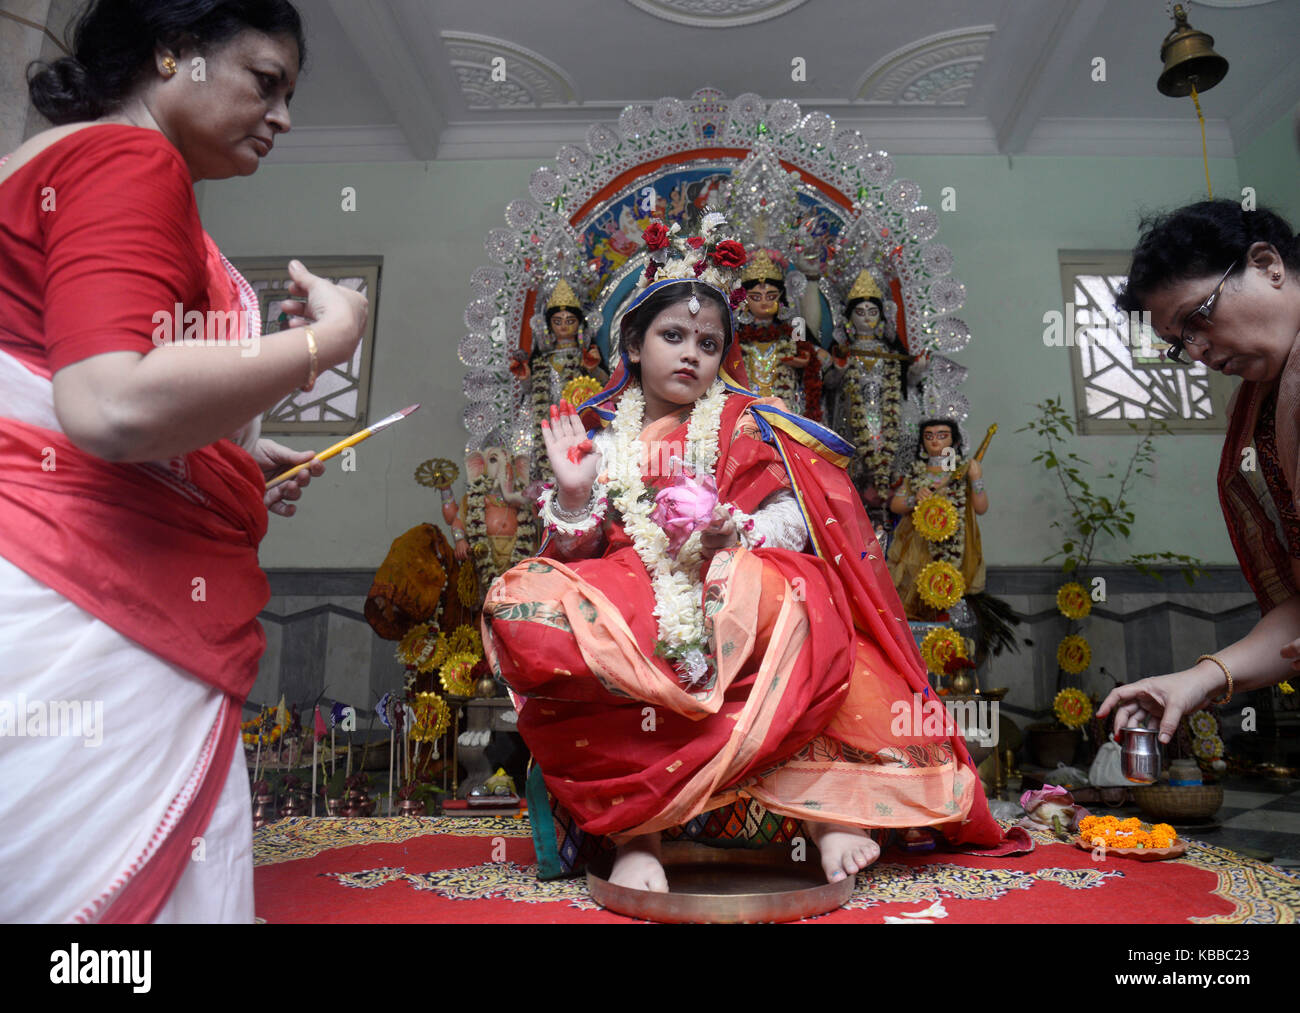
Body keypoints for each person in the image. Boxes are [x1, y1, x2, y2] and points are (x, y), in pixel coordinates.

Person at [480, 216, 1019, 894]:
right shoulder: (600, 431)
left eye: (707, 342)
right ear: (633, 344)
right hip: (624, 582)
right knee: (527, 604)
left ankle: (827, 818)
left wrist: (735, 531)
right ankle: (636, 835)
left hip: (735, 571)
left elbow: (801, 514)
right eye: (672, 336)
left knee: (789, 596)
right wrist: (574, 489)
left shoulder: (745, 420)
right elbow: (574, 546)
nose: (690, 354)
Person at [0, 0, 368, 922]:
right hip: (83, 594)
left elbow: (73, 377)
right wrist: (332, 339)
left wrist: (232, 451)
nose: (283, 116)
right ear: (172, 54)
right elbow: (111, 403)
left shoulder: (68, 159)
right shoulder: (125, 159)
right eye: (263, 82)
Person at [1099, 200, 1300, 743]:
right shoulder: (1262, 411)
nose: (1197, 351)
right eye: (1179, 343)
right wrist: (1195, 681)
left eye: (1197, 318)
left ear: (1266, 264)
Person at [886, 419, 988, 620]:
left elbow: (981, 508)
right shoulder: (917, 473)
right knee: (913, 596)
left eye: (942, 435)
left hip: (954, 543)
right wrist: (914, 499)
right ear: (922, 442)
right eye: (929, 436)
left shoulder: (962, 472)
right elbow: (895, 506)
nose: (935, 441)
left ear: (954, 441)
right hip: (917, 545)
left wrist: (976, 478)